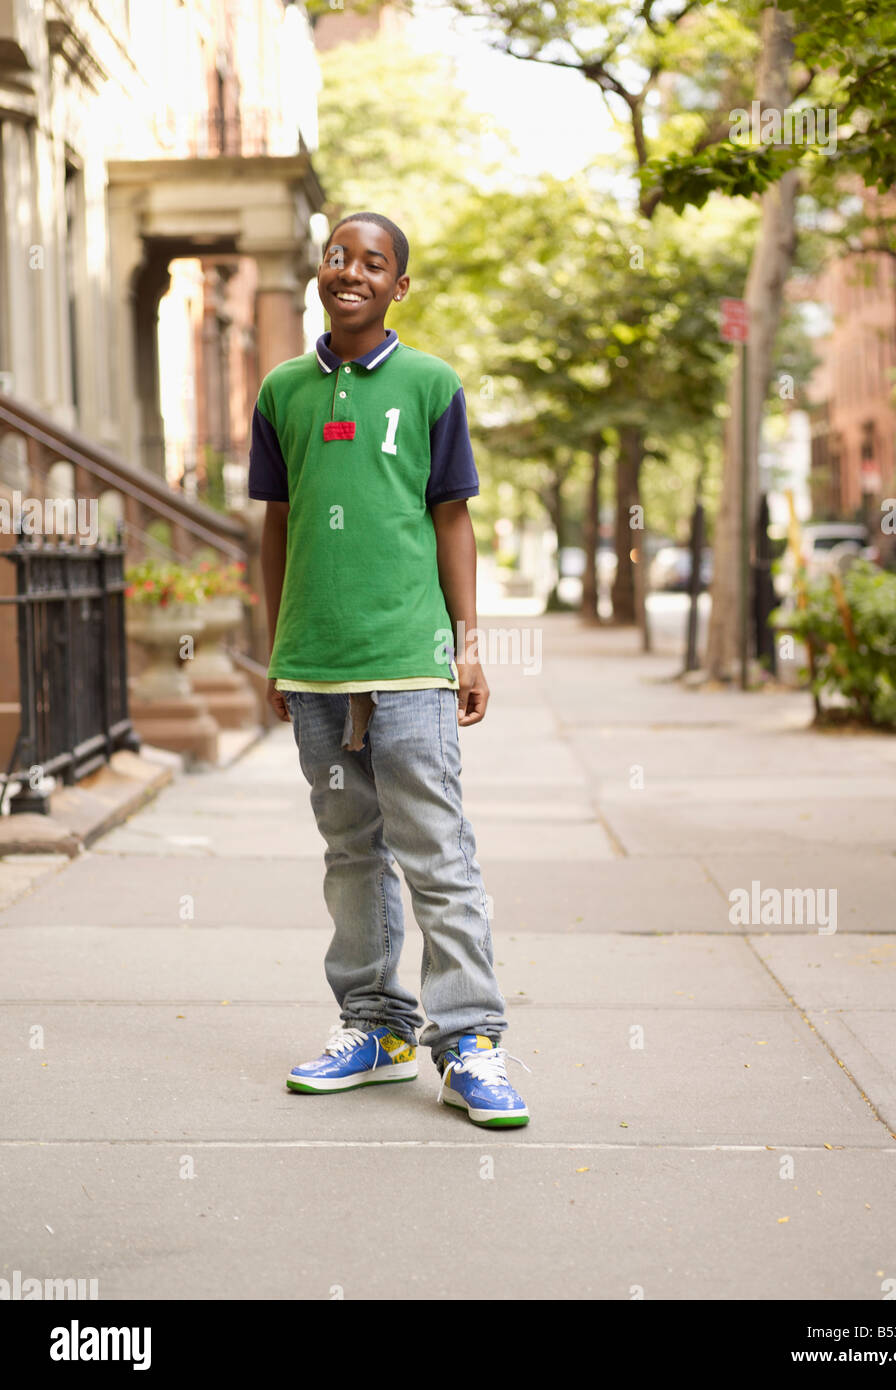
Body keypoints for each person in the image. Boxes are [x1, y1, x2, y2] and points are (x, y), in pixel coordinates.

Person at [247, 211, 529, 1127]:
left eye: (373, 262)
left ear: (399, 287)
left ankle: (471, 1044)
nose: (352, 271)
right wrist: (276, 645)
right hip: (317, 664)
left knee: (437, 853)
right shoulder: (283, 390)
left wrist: (468, 644)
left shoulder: (430, 383)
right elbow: (278, 524)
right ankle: (374, 1028)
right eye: (338, 256)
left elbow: (453, 517)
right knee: (350, 853)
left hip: (410, 662)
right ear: (319, 273)